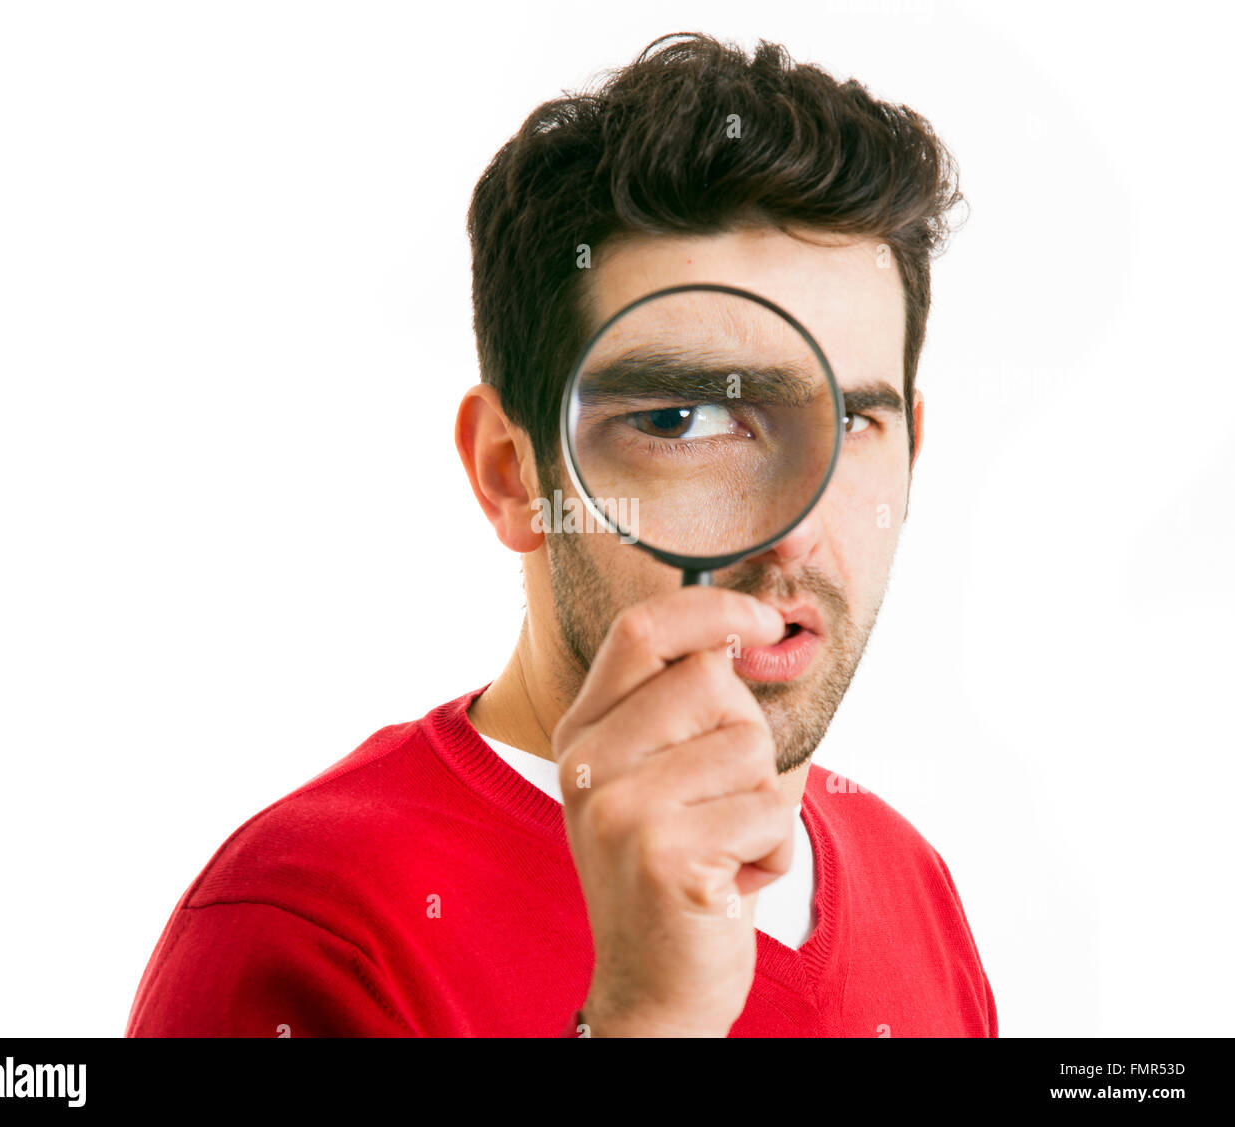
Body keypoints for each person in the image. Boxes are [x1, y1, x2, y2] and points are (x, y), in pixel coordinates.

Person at [126, 31, 995, 1038]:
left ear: (913, 451)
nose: (791, 529)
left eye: (849, 423)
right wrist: (645, 1017)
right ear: (509, 471)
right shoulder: (313, 924)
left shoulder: (910, 877)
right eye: (683, 421)